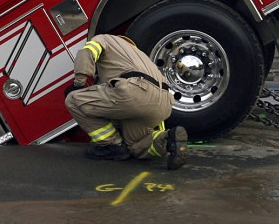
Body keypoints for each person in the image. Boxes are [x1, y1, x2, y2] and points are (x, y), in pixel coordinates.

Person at [63, 33, 188, 169]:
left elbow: (87, 52)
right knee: (135, 146)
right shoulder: (139, 56)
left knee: (73, 99)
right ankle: (168, 139)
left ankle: (111, 145)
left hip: (135, 92)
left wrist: (79, 84)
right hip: (165, 102)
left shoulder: (104, 39)